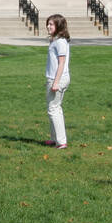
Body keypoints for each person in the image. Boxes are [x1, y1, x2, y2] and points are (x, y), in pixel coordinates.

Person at [43, 14, 71, 149]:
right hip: (54, 78)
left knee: (54, 109)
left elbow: (61, 63)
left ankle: (61, 141)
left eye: (51, 24)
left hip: (58, 78)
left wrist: (55, 82)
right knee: (54, 108)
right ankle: (54, 139)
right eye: (48, 24)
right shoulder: (55, 40)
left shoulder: (60, 42)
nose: (48, 26)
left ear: (59, 26)